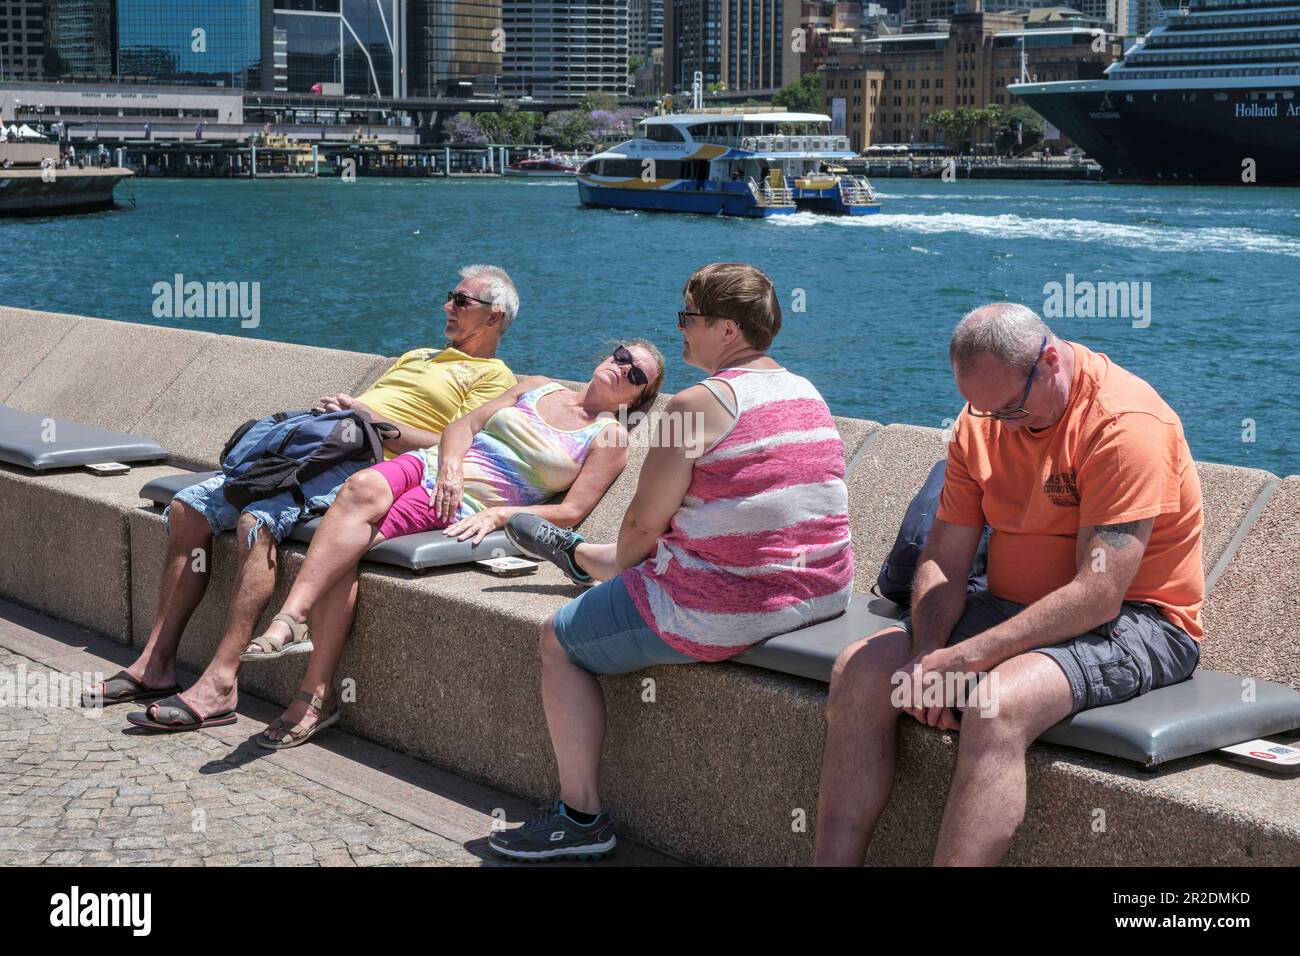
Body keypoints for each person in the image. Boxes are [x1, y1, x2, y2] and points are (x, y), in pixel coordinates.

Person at [814, 303, 1204, 866]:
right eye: (986, 411)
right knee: (861, 671)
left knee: (997, 705)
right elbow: (945, 558)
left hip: (1137, 620)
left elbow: (1098, 595)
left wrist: (964, 660)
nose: (1003, 425)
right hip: (1010, 604)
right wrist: (928, 654)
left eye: (1012, 410)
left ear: (1050, 362)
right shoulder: (985, 418)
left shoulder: (1125, 425)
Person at [489, 263, 854, 861]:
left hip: (733, 604)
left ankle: (580, 818)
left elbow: (641, 524)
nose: (679, 327)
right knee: (666, 546)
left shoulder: (694, 404)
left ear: (728, 329)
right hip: (824, 589)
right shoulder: (805, 389)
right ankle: (584, 558)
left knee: (559, 638)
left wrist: (629, 570)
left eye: (688, 316)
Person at [86, 266, 520, 729]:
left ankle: (221, 683)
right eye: (450, 296)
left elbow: (454, 446)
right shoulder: (418, 356)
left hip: (367, 464)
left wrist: (374, 420)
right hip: (318, 445)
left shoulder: (495, 379)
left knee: (256, 524)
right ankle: (156, 663)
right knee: (187, 508)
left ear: (494, 316)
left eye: (461, 301)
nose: (448, 306)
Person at [236, 343, 665, 749]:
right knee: (361, 487)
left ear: (639, 398)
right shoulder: (538, 386)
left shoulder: (609, 437)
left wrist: (501, 515)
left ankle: (310, 679)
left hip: (459, 503)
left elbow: (571, 511)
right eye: (622, 356)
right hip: (433, 467)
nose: (622, 368)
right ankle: (295, 625)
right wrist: (451, 465)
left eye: (636, 375)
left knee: (348, 541)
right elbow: (463, 426)